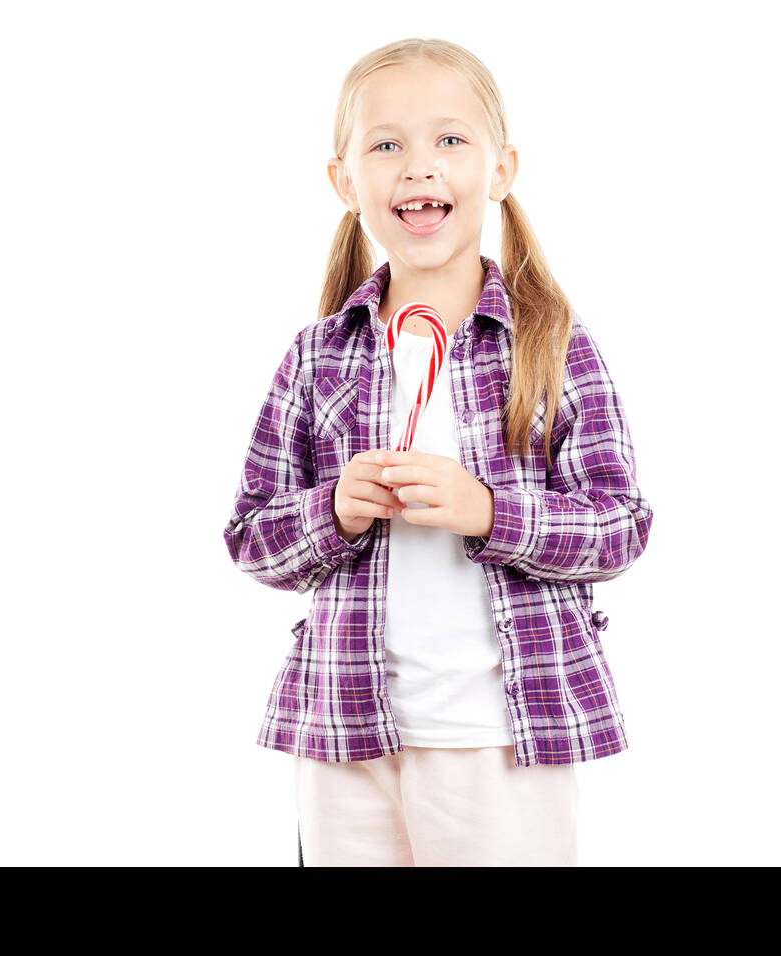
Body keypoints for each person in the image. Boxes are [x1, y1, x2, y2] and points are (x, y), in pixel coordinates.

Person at [223, 37, 653, 866]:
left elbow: (621, 525)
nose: (419, 167)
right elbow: (251, 537)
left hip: (502, 739)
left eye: (450, 140)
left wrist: (488, 511)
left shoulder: (552, 346)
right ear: (345, 184)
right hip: (345, 735)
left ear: (501, 170)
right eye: (386, 145)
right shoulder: (319, 356)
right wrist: (334, 512)